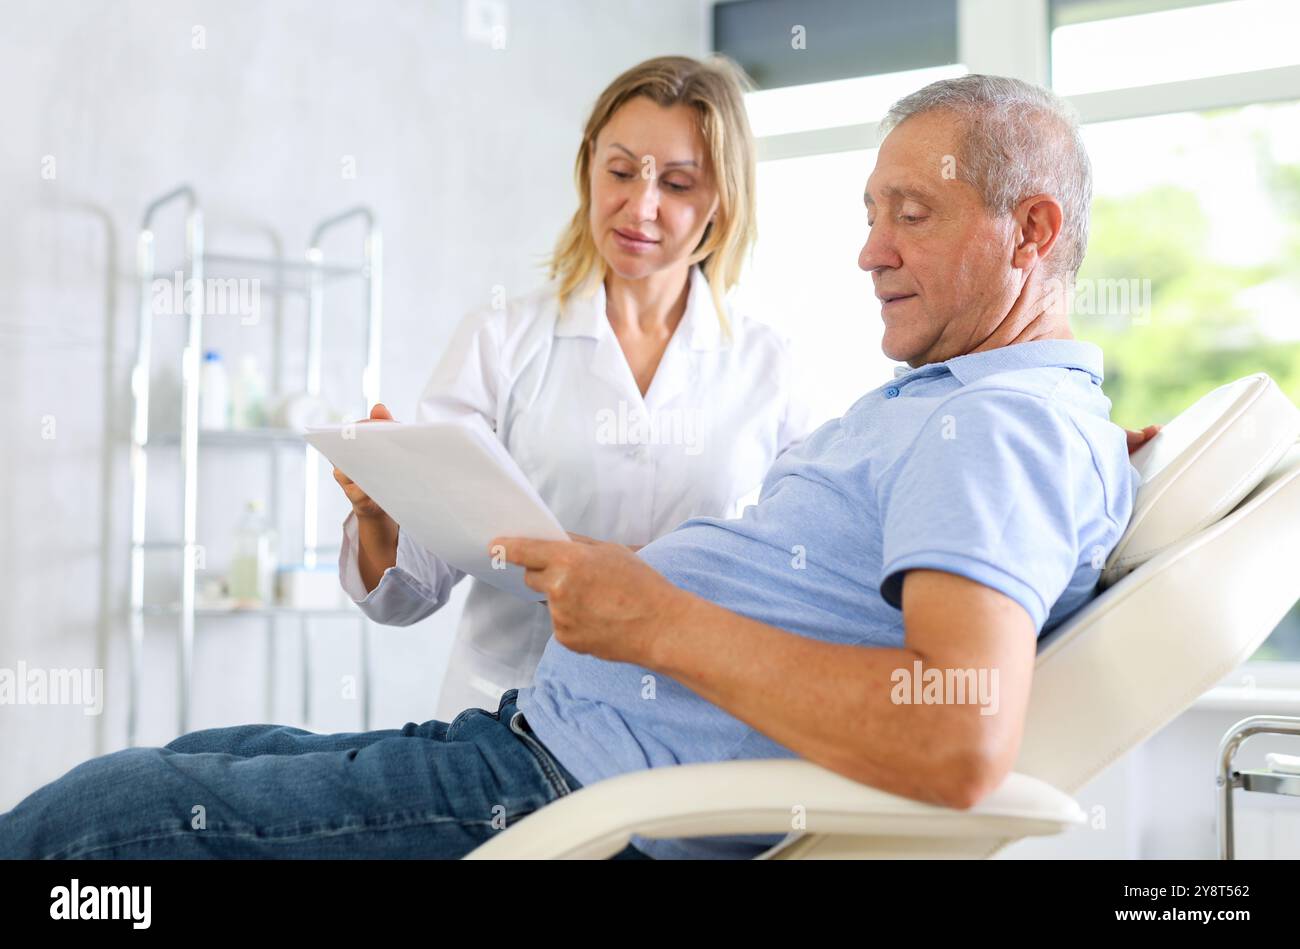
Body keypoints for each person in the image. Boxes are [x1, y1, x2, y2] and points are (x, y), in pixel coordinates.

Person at [0, 74, 1158, 861]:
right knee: (186, 761)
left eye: (911, 213)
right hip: (520, 724)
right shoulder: (963, 408)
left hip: (570, 791)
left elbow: (956, 735)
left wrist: (651, 619)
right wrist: (386, 521)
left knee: (103, 828)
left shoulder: (995, 425)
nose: (868, 250)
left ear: (1033, 232)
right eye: (869, 211)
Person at [335, 54, 815, 721]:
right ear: (589, 165)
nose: (639, 206)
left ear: (721, 201)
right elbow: (409, 590)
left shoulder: (770, 367)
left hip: (685, 722)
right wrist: (378, 515)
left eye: (676, 183)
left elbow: (799, 566)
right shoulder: (501, 341)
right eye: (620, 171)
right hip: (510, 717)